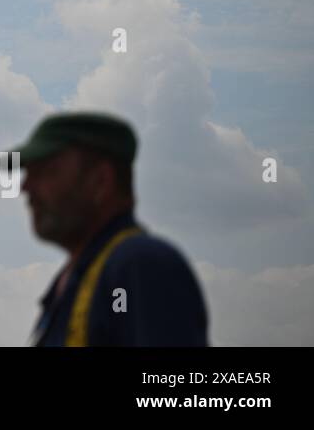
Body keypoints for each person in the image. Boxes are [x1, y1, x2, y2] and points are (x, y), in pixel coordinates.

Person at [15, 111, 208, 346]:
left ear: (101, 181)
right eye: (27, 174)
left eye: (46, 172)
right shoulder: (76, 279)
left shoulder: (138, 265)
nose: (25, 187)